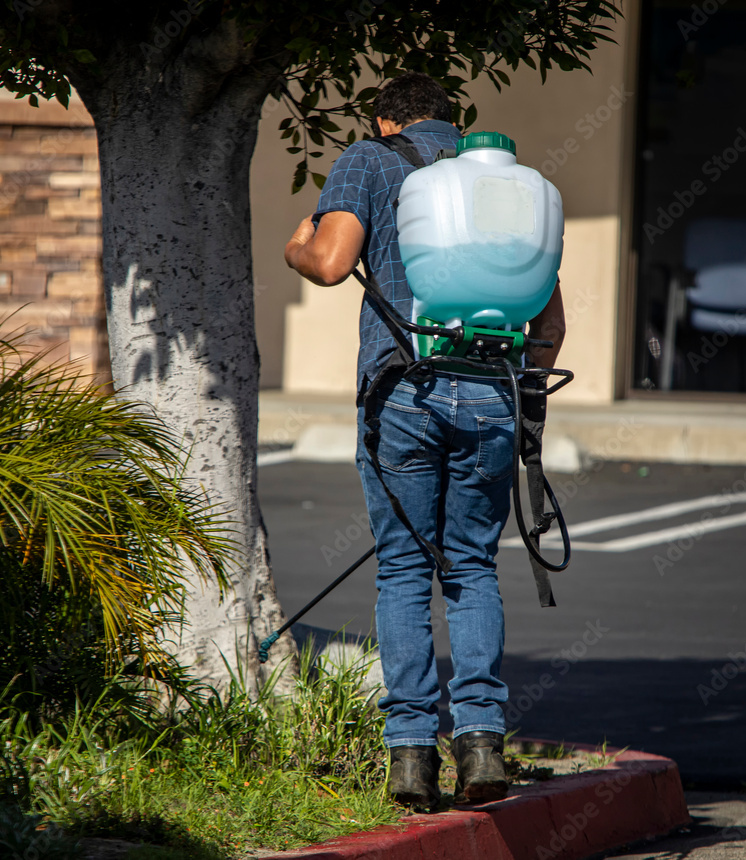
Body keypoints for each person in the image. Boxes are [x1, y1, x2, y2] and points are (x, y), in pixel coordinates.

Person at [284, 72, 565, 810]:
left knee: (404, 571)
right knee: (472, 565)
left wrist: (296, 247)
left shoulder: (370, 161)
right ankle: (481, 745)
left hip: (402, 389)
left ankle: (410, 759)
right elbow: (550, 326)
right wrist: (517, 399)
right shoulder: (502, 183)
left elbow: (334, 262)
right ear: (452, 120)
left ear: (384, 121)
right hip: (491, 395)